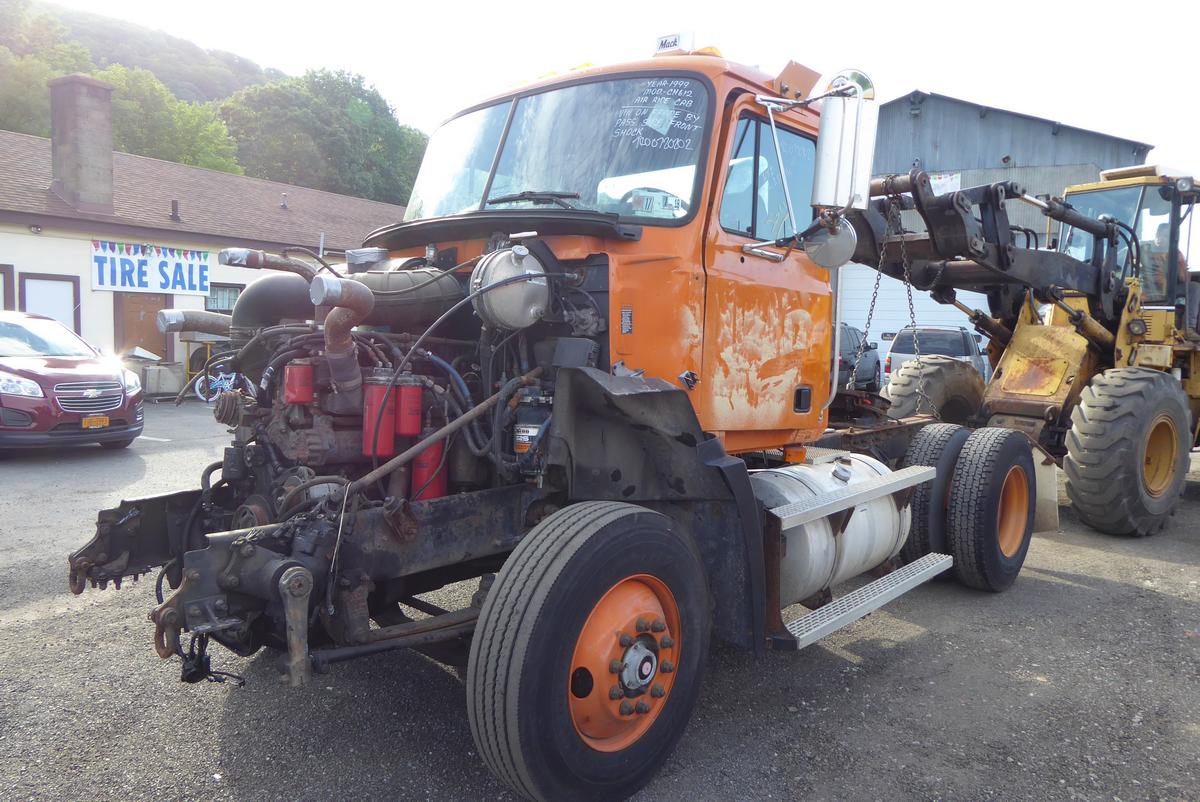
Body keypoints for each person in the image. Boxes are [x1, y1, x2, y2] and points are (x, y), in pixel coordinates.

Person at [1142, 222, 1188, 303]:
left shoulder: (1175, 252)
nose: (1161, 238)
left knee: (1194, 287)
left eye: (1165, 236)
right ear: (1156, 234)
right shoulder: (1143, 247)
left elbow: (1183, 278)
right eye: (1159, 234)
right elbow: (1123, 255)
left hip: (1167, 290)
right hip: (1146, 290)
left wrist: (1181, 263)